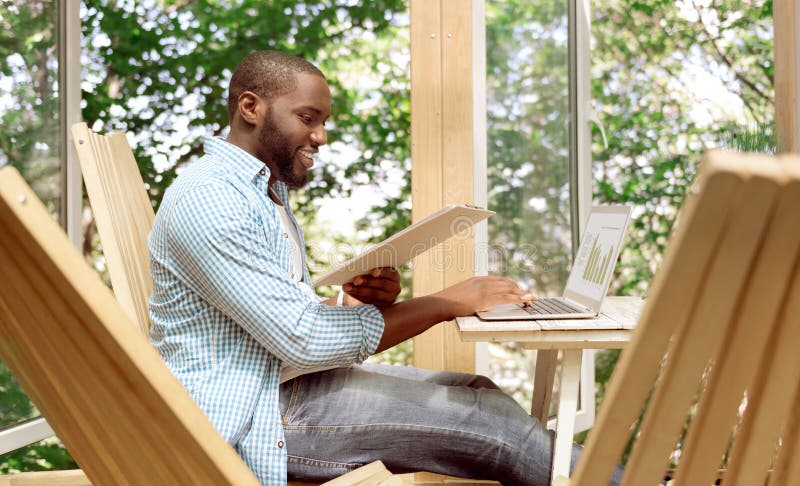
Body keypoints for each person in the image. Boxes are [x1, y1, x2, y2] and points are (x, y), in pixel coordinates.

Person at [148, 50, 602, 486]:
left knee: (480, 390)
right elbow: (302, 339)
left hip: (280, 382)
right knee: (495, 428)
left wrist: (350, 302)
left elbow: (269, 319)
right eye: (307, 118)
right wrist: (445, 303)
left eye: (324, 122)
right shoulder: (211, 198)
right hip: (256, 411)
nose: (321, 137)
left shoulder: (262, 193)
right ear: (251, 107)